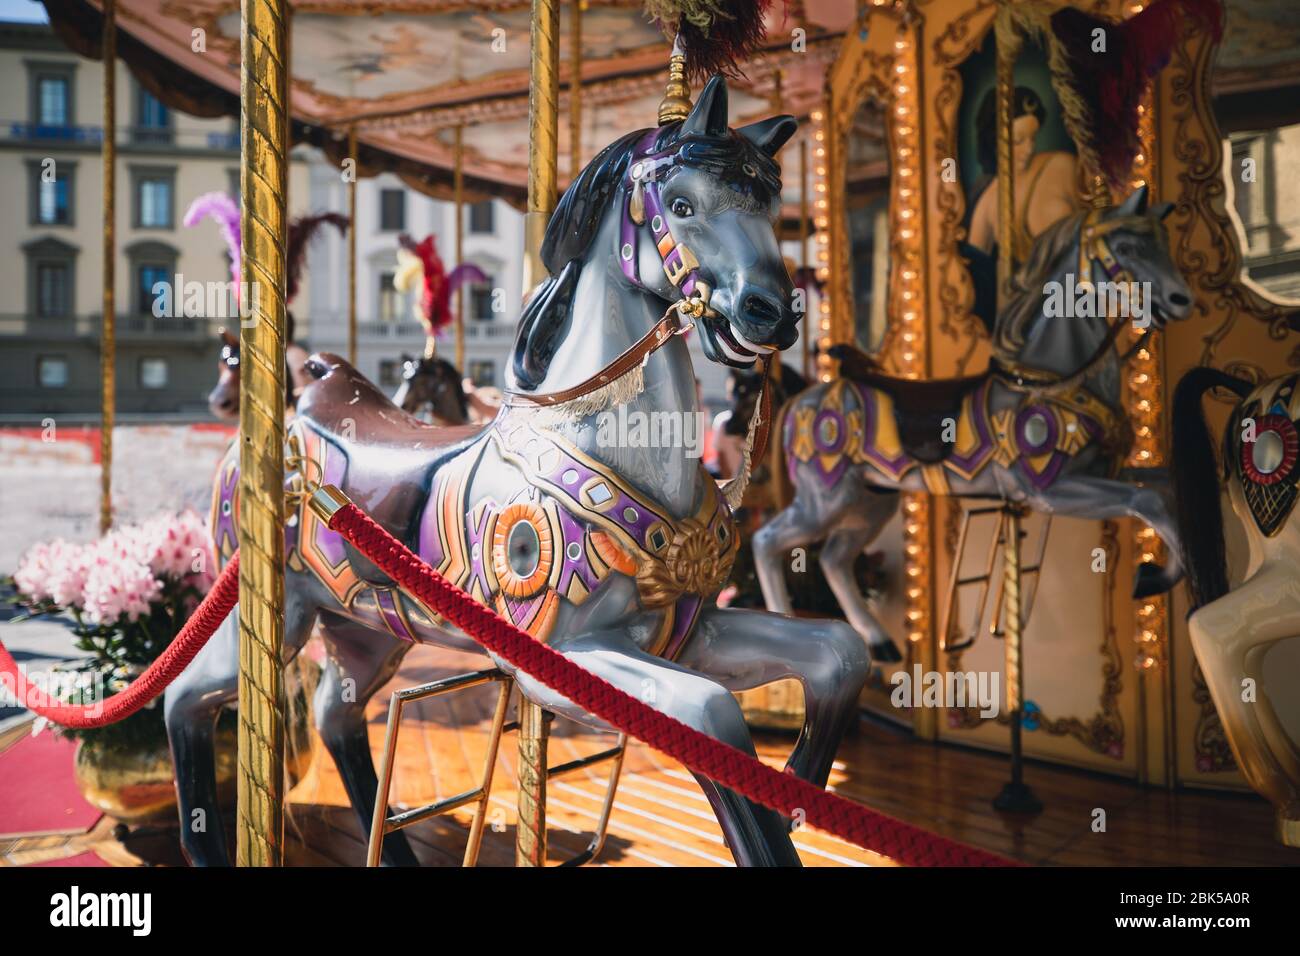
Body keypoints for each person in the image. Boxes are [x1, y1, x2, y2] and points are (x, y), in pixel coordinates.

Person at [966, 86, 1079, 262]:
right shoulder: (987, 202)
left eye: (1032, 138)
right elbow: (976, 271)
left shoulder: (1061, 165)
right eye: (1018, 141)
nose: (1029, 149)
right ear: (995, 143)